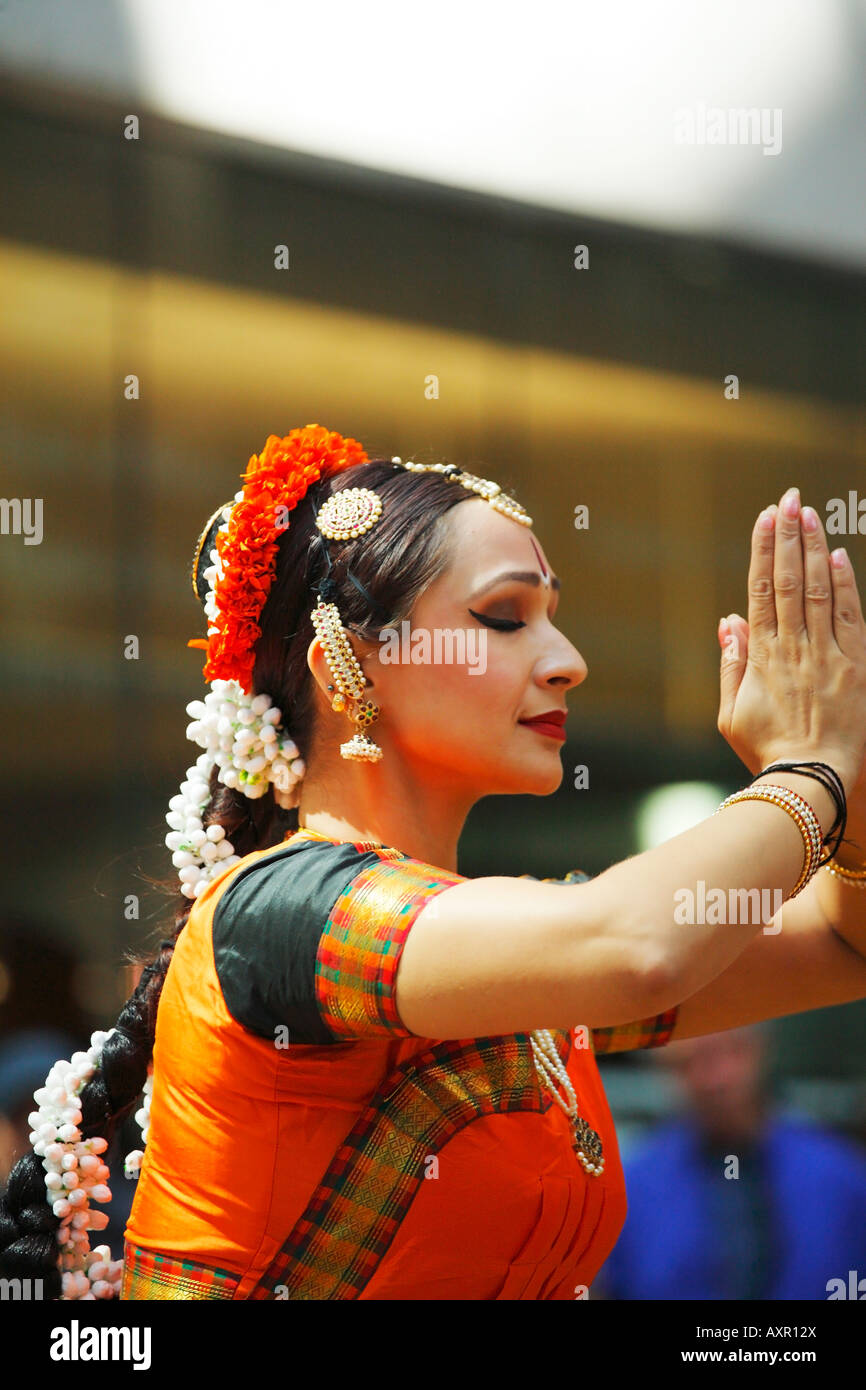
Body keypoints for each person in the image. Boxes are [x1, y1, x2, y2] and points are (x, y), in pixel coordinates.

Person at [3, 422, 866, 1301]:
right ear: (350, 673)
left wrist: (855, 772)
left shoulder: (511, 961)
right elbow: (638, 948)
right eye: (503, 618)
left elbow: (846, 941)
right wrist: (811, 771)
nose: (567, 664)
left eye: (552, 620)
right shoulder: (279, 915)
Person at [597, 1026, 866, 1300]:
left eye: (729, 1053)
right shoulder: (630, 1190)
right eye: (689, 1063)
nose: (715, 1079)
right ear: (663, 1072)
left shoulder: (839, 1176)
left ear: (760, 1050)